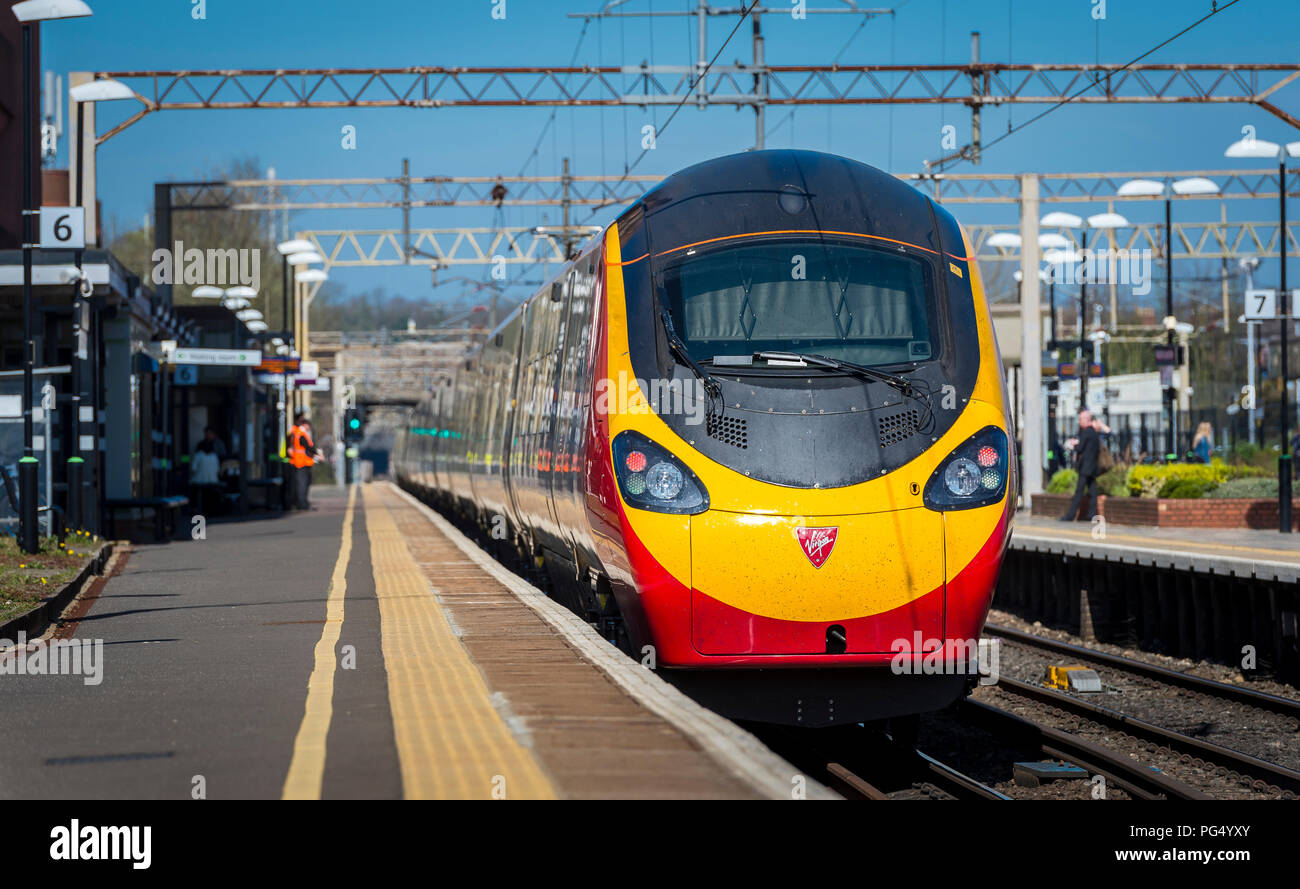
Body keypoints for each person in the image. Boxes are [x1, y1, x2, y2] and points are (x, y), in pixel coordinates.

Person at [1060, 409, 1102, 522]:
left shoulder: (1086, 432)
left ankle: (1070, 515)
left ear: (1086, 420)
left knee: (1079, 492)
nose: (1079, 422)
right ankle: (1091, 514)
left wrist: (1073, 444)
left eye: (1080, 419)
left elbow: (1080, 448)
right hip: (1092, 467)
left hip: (1085, 468)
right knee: (1093, 492)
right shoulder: (1094, 433)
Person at [287, 414, 322, 510]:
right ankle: (302, 504)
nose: (309, 427)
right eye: (308, 425)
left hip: (301, 462)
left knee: (301, 484)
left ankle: (300, 503)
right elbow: (308, 447)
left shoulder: (297, 433)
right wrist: (318, 454)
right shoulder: (300, 434)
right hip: (301, 463)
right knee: (302, 485)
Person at [190, 438, 221, 517]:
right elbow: (217, 470)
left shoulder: (198, 455)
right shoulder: (214, 456)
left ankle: (194, 508)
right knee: (209, 493)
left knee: (193, 489)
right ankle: (210, 511)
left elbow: (193, 469)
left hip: (199, 481)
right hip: (213, 481)